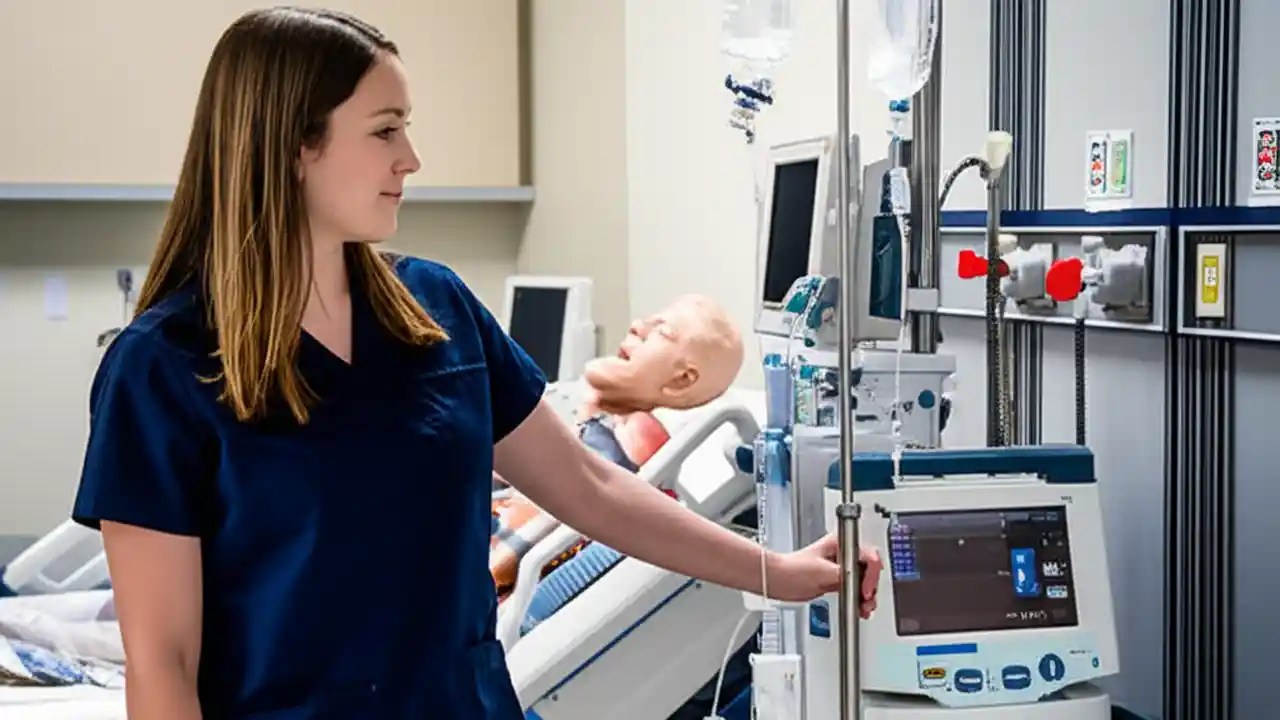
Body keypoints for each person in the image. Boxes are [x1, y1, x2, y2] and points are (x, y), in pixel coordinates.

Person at [69, 7, 883, 719]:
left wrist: (775, 570)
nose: (411, 158)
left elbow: (592, 487)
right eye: (385, 129)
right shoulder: (164, 369)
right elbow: (163, 662)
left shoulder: (438, 313)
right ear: (293, 147)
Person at [490, 292, 742, 596]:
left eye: (661, 331)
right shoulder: (591, 428)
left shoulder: (630, 441)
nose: (636, 326)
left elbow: (501, 554)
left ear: (681, 380)